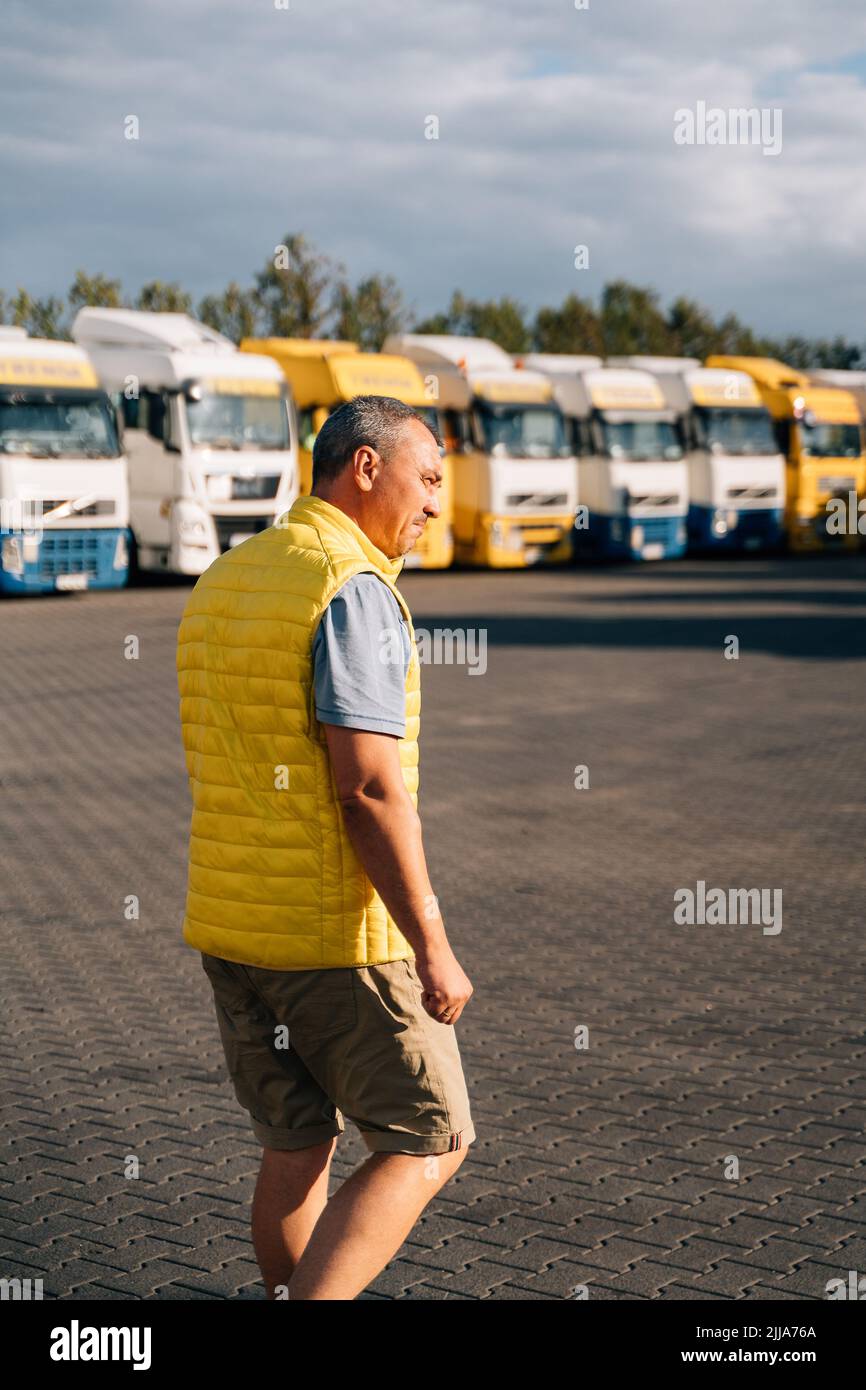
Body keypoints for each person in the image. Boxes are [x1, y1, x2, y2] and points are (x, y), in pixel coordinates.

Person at [176, 394, 475, 1300]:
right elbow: (369, 787)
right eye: (426, 479)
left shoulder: (230, 575)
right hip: (335, 943)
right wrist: (432, 943)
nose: (434, 506)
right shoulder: (352, 590)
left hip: (232, 929)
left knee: (297, 1140)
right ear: (365, 467)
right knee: (432, 1140)